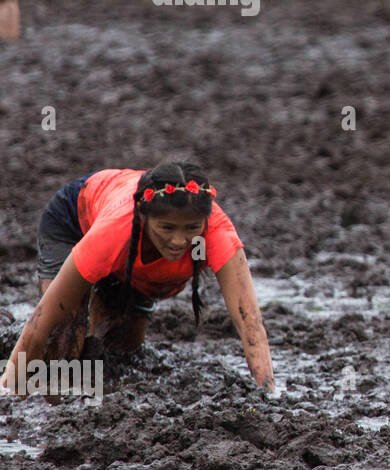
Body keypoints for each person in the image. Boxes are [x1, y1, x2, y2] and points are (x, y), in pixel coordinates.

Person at [2, 162, 276, 394]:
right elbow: (43, 320)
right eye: (167, 227)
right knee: (63, 338)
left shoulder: (218, 233)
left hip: (129, 262)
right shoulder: (113, 232)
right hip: (74, 222)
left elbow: (250, 322)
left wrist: (268, 396)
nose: (179, 240)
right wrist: (7, 391)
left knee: (122, 352)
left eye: (192, 228)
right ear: (143, 217)